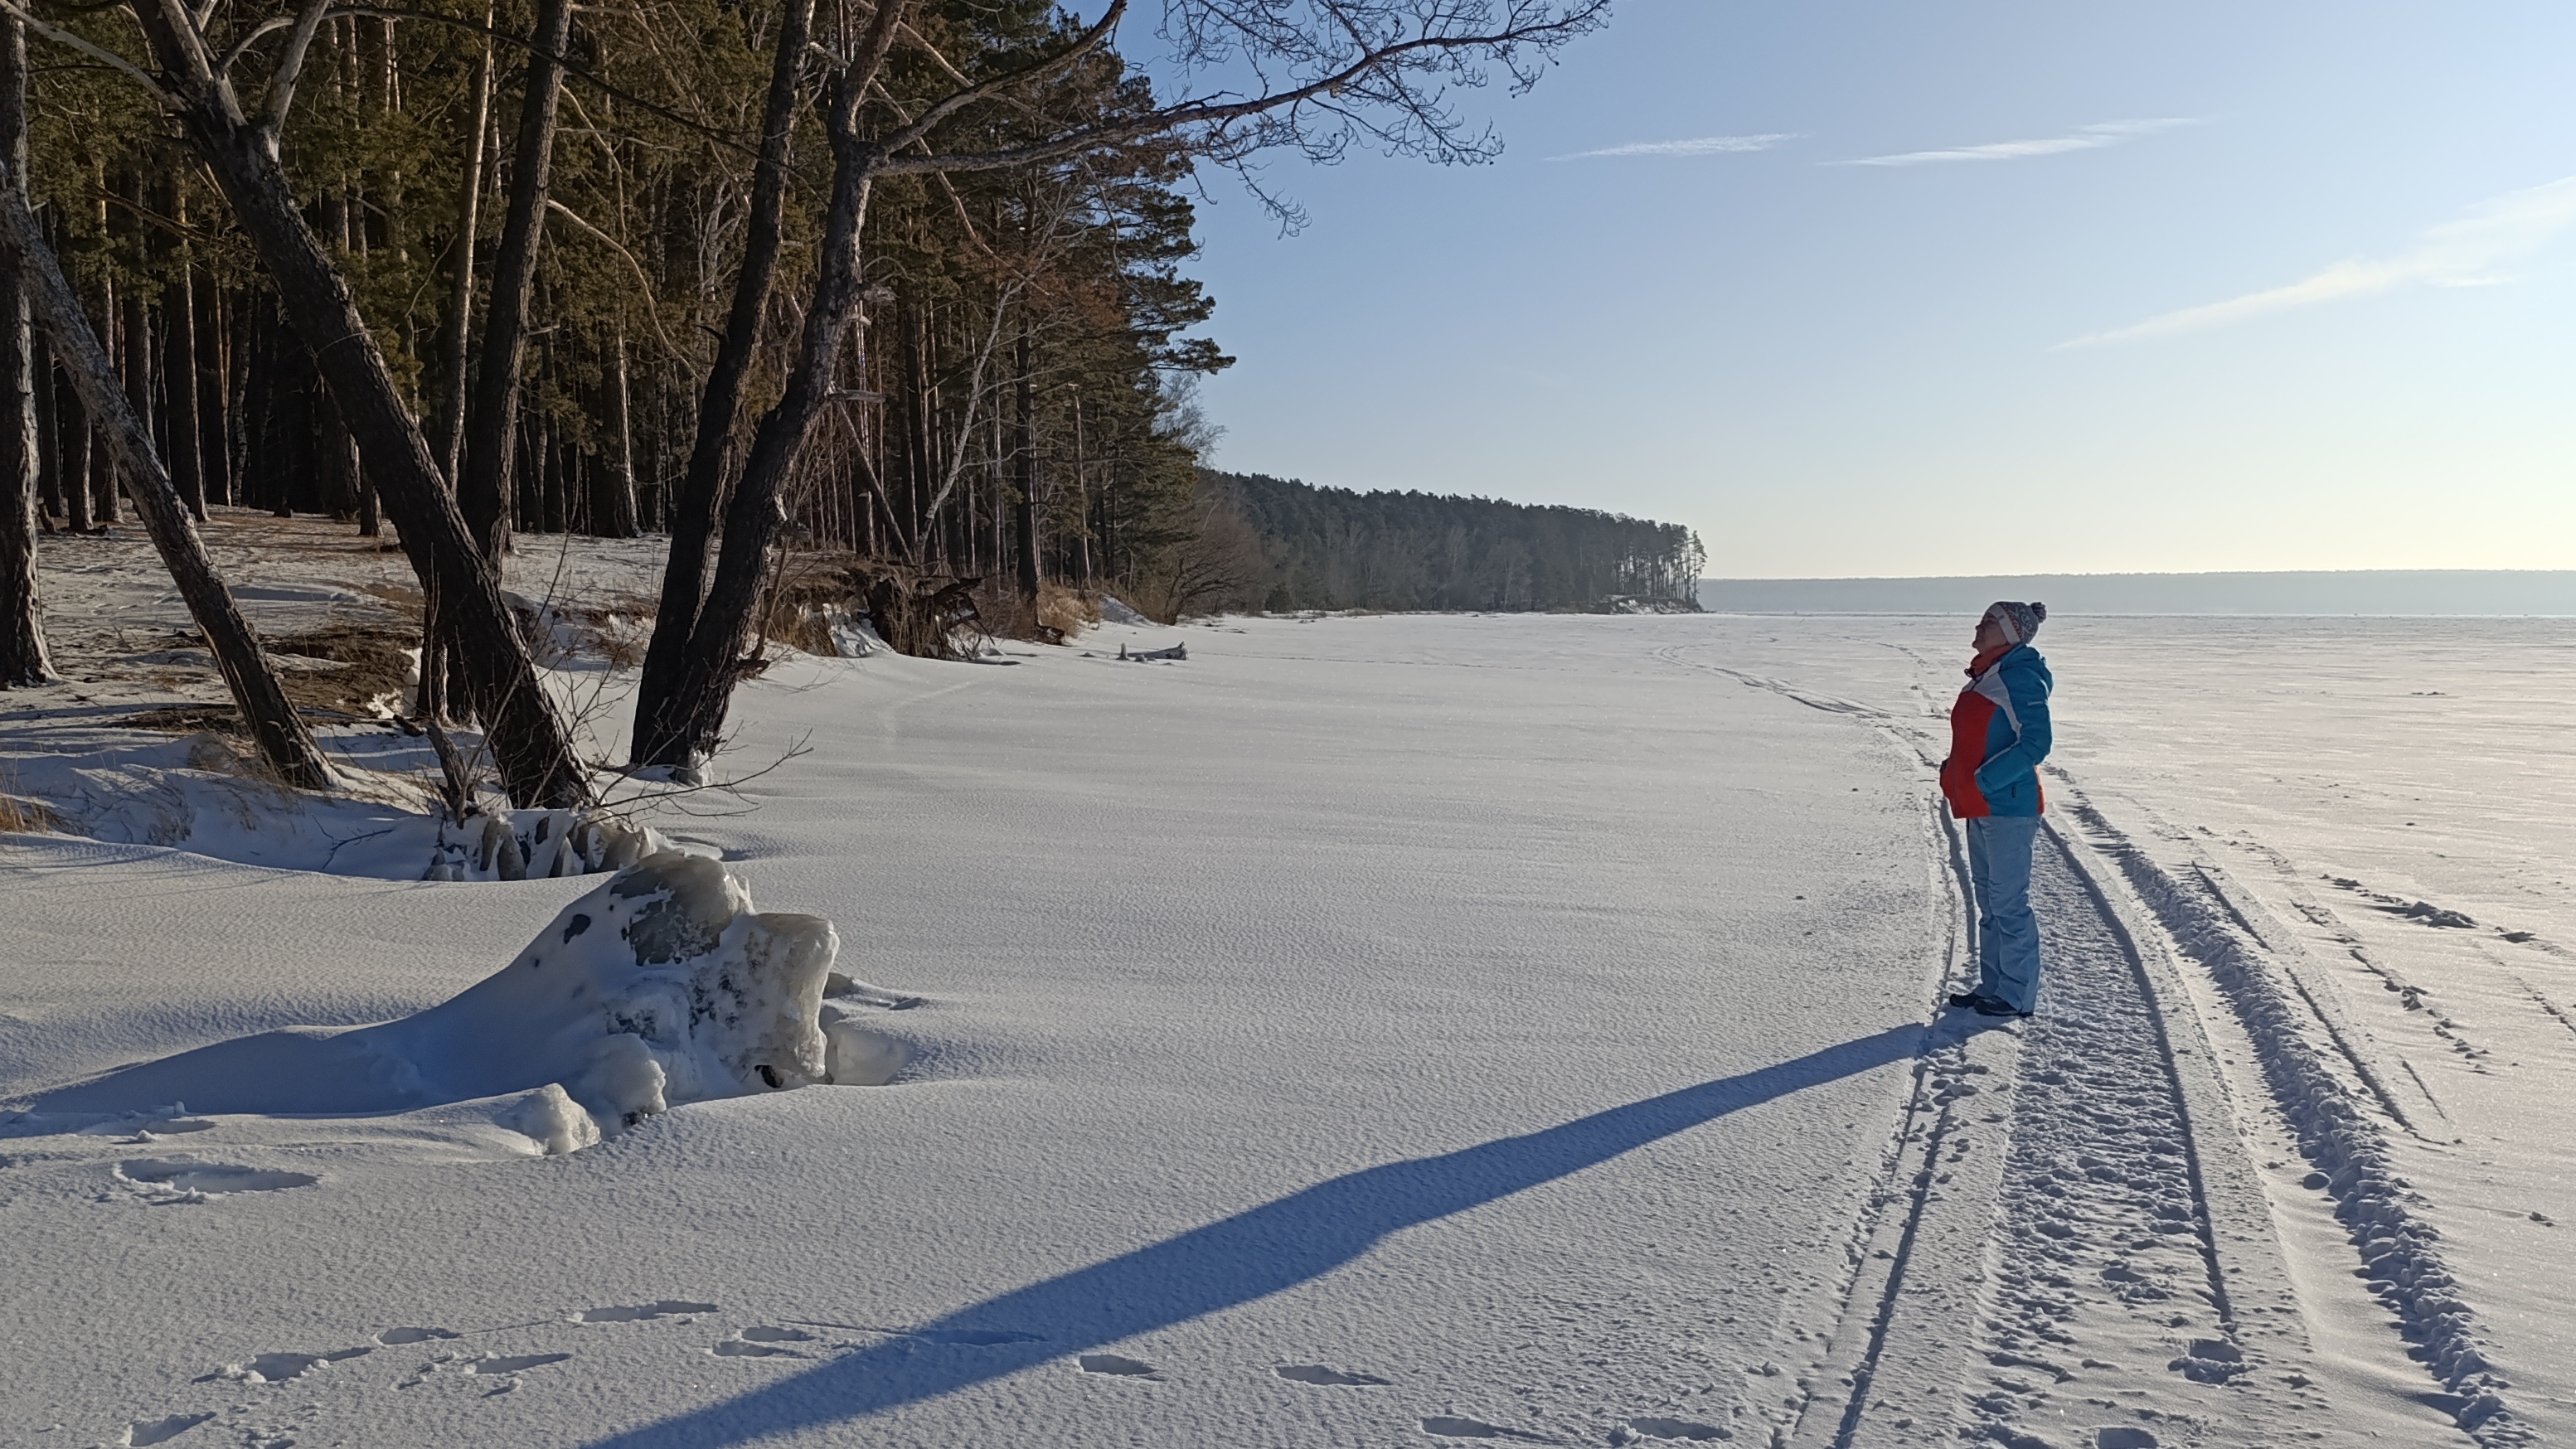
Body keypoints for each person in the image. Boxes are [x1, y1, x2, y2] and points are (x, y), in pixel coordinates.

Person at [1942, 601, 2053, 1018]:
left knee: (2009, 904)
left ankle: (2018, 996)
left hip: (2008, 807)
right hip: (1981, 805)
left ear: (2012, 632)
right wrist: (1953, 774)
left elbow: (2037, 741)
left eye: (1989, 622)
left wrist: (1985, 780)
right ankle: (1993, 986)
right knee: (1990, 903)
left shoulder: (2018, 675)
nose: (1979, 626)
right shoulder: (1986, 675)